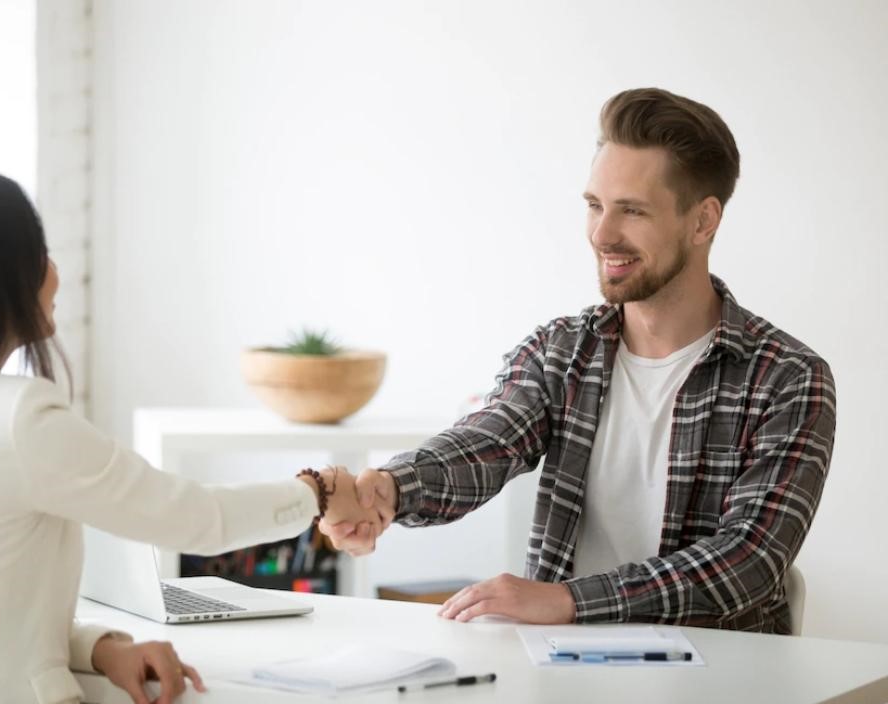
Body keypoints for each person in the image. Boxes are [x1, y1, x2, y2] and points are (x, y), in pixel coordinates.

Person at [0, 171, 380, 704]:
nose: (53, 271)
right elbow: (197, 517)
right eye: (38, 252)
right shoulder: (16, 417)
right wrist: (320, 492)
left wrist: (101, 647)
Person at [321, 87, 836, 634]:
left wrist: (567, 601)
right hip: (562, 673)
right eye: (594, 205)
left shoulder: (789, 379)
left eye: (632, 211)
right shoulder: (563, 350)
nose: (601, 234)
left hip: (716, 679)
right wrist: (392, 489)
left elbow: (746, 563)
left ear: (703, 221)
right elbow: (488, 441)